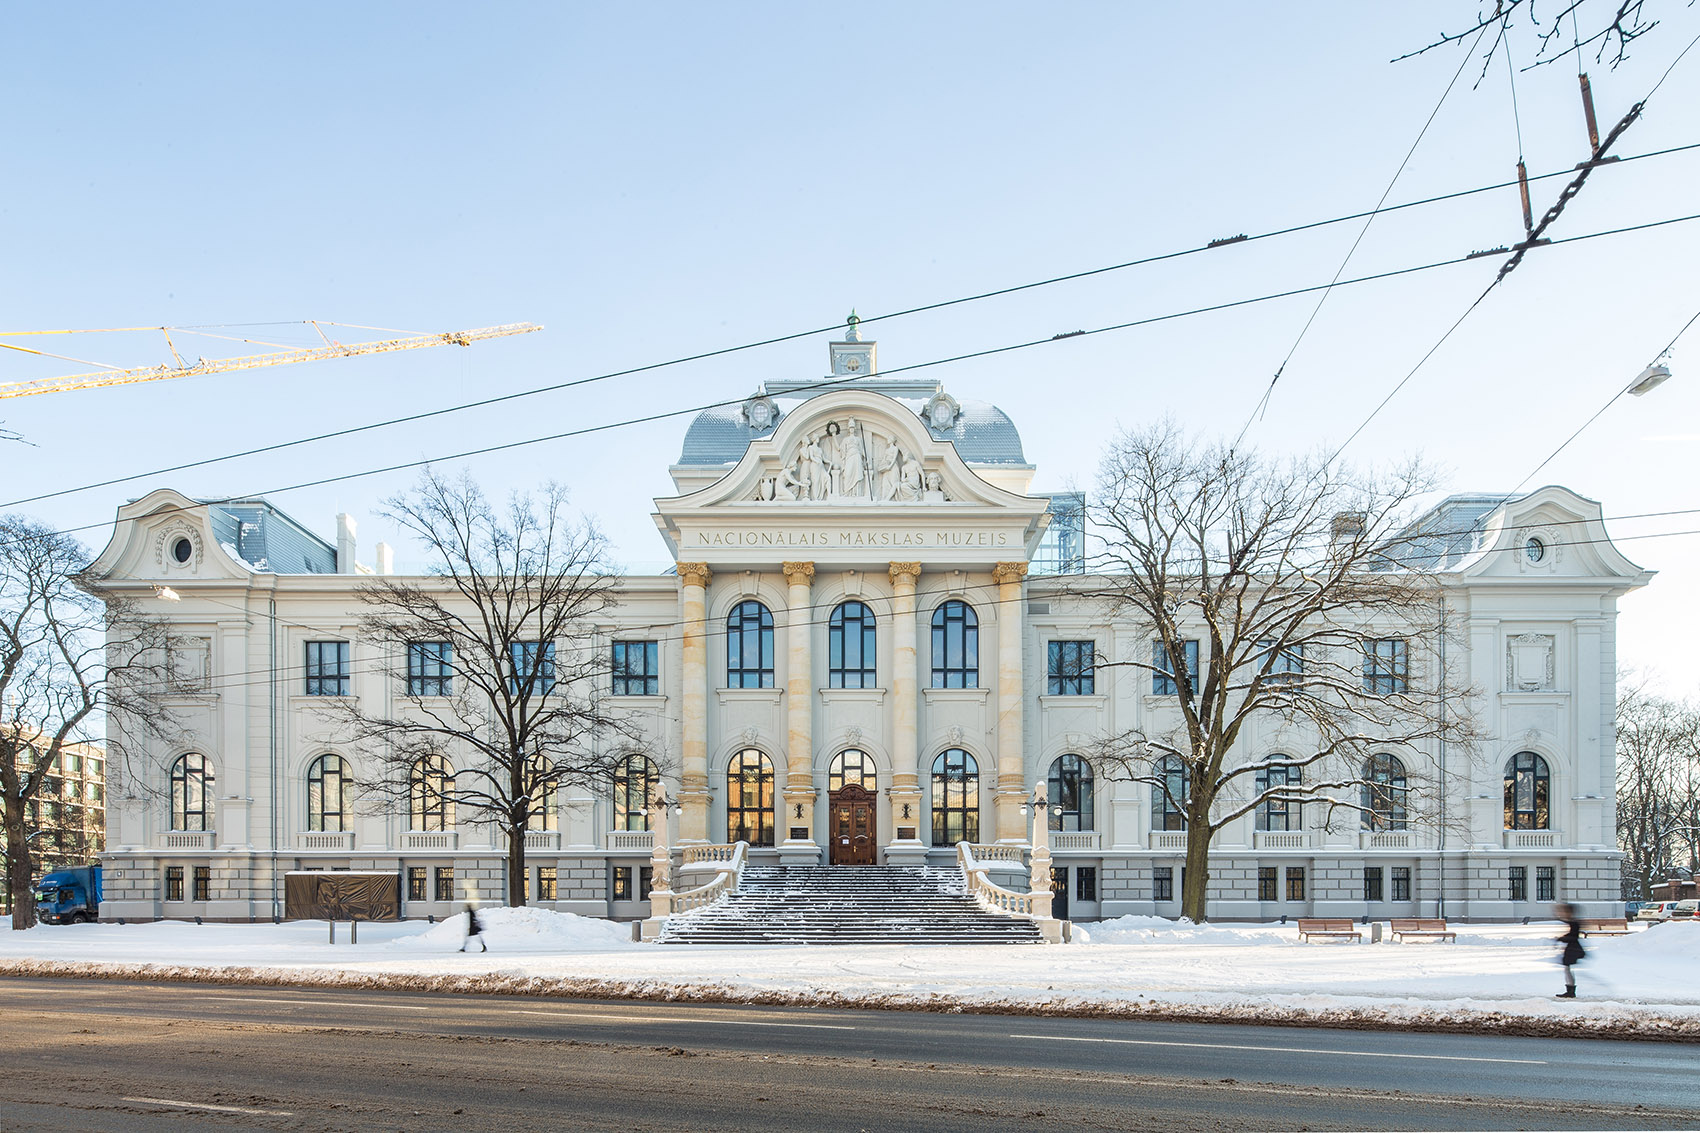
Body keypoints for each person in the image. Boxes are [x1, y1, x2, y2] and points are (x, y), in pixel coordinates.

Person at [1554, 901, 1583, 998]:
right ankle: (1570, 990)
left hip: (1573, 949)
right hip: (1572, 948)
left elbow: (1573, 936)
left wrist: (1561, 938)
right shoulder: (1573, 922)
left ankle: (1571, 991)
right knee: (1567, 968)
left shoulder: (1574, 923)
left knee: (1567, 968)